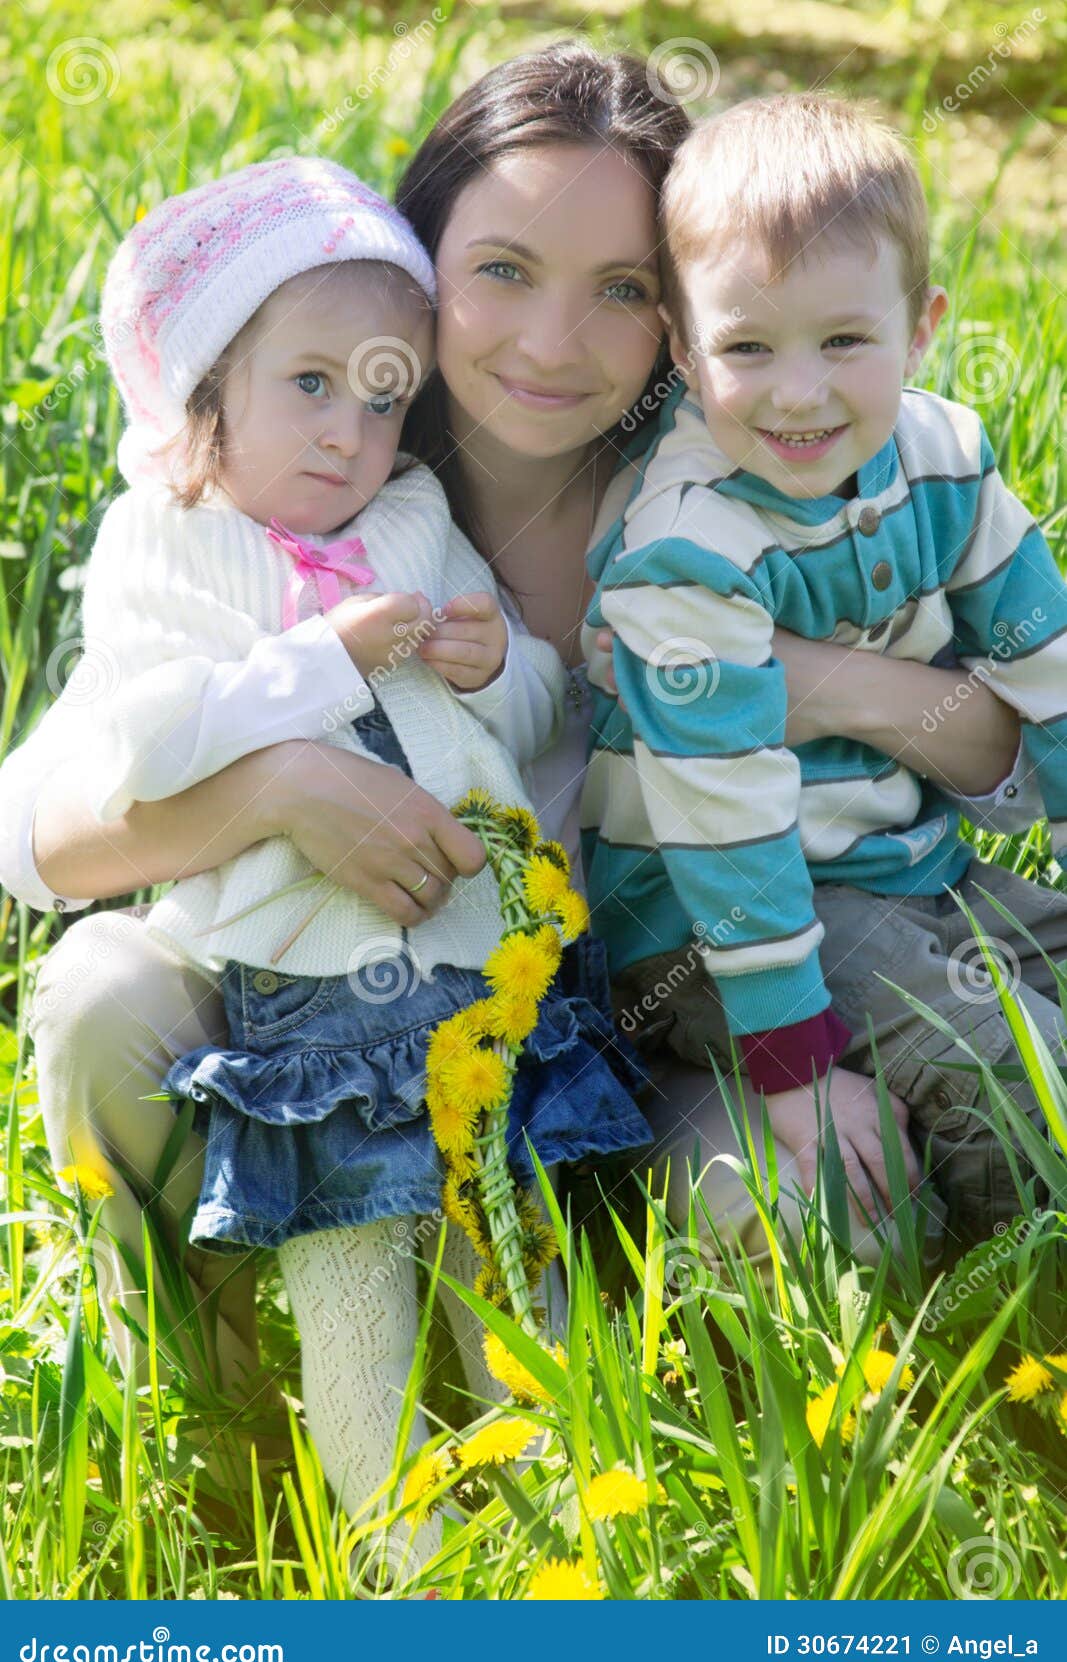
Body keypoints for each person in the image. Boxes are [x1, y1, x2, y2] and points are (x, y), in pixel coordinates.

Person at [0, 44, 1039, 1526]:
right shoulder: (309, 482)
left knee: (807, 1187)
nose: (555, 341)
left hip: (639, 1043)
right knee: (106, 995)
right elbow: (34, 826)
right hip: (334, 1024)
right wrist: (289, 783)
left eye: (619, 289)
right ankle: (227, 1446)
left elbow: (994, 752)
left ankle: (675, 1500)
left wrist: (789, 681)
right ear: (417, 266)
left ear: (677, 313)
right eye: (500, 268)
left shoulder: (748, 479)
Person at [35, 152, 657, 1546]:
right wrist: (317, 682)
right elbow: (129, 751)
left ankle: (574, 1521)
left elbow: (534, 710)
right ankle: (363, 1520)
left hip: (482, 984)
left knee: (507, 1252)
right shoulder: (171, 545)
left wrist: (498, 666)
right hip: (306, 1011)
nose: (346, 434)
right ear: (202, 396)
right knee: (353, 1269)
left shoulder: (409, 521)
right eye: (307, 387)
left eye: (380, 401)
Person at [584, 90, 1063, 1256]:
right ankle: (1021, 1313)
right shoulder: (683, 556)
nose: (797, 394)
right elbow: (726, 827)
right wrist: (789, 1061)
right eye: (747, 348)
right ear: (687, 357)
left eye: (843, 341)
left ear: (921, 326)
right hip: (707, 921)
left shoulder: (943, 463)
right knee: (1002, 1059)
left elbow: (1046, 665)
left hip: (903, 869)